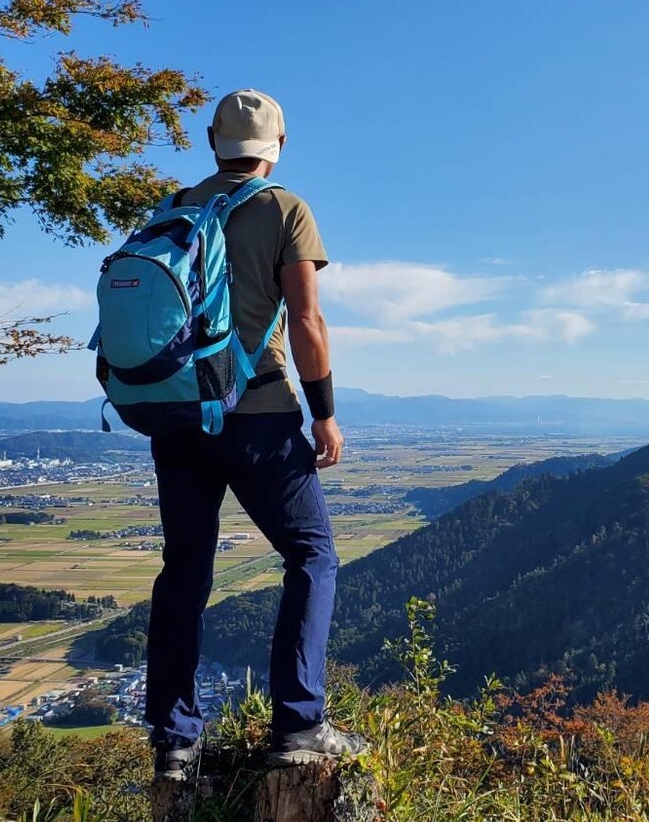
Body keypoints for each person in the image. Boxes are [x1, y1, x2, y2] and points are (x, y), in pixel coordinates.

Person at [144, 89, 366, 779]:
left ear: (213, 139)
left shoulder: (171, 207)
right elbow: (306, 321)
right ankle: (299, 723)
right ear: (280, 144)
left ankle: (175, 744)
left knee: (184, 571)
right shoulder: (283, 208)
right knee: (312, 555)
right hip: (258, 412)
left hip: (176, 416)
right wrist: (324, 411)